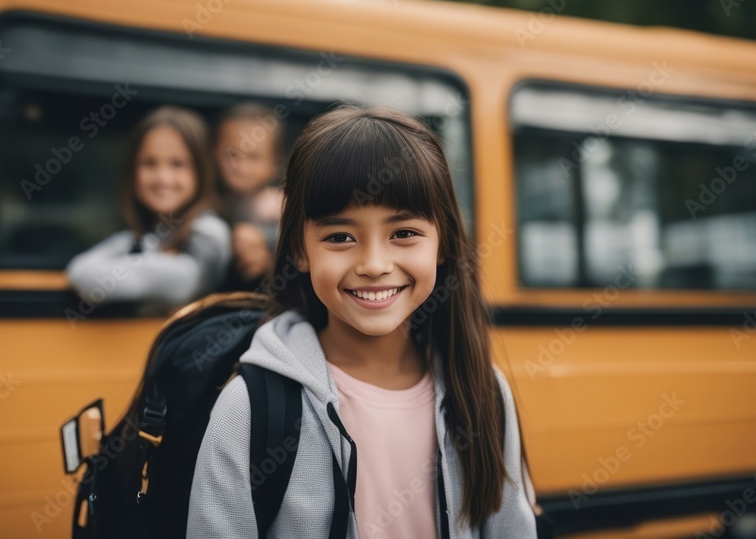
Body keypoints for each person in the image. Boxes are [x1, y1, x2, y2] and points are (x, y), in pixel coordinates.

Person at [187, 107, 538, 538]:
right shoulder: (252, 407)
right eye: (340, 237)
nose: (374, 265)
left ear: (443, 242)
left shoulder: (481, 391)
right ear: (299, 250)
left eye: (403, 233)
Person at [66, 106, 231, 312]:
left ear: (202, 170)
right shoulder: (143, 235)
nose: (163, 178)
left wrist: (139, 255)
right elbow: (78, 270)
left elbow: (182, 282)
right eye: (149, 163)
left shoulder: (210, 231)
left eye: (177, 164)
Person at [213, 103, 284, 291]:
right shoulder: (206, 200)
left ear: (274, 163)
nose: (241, 168)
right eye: (232, 155)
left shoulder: (279, 206)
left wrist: (264, 240)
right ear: (213, 153)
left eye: (253, 157)